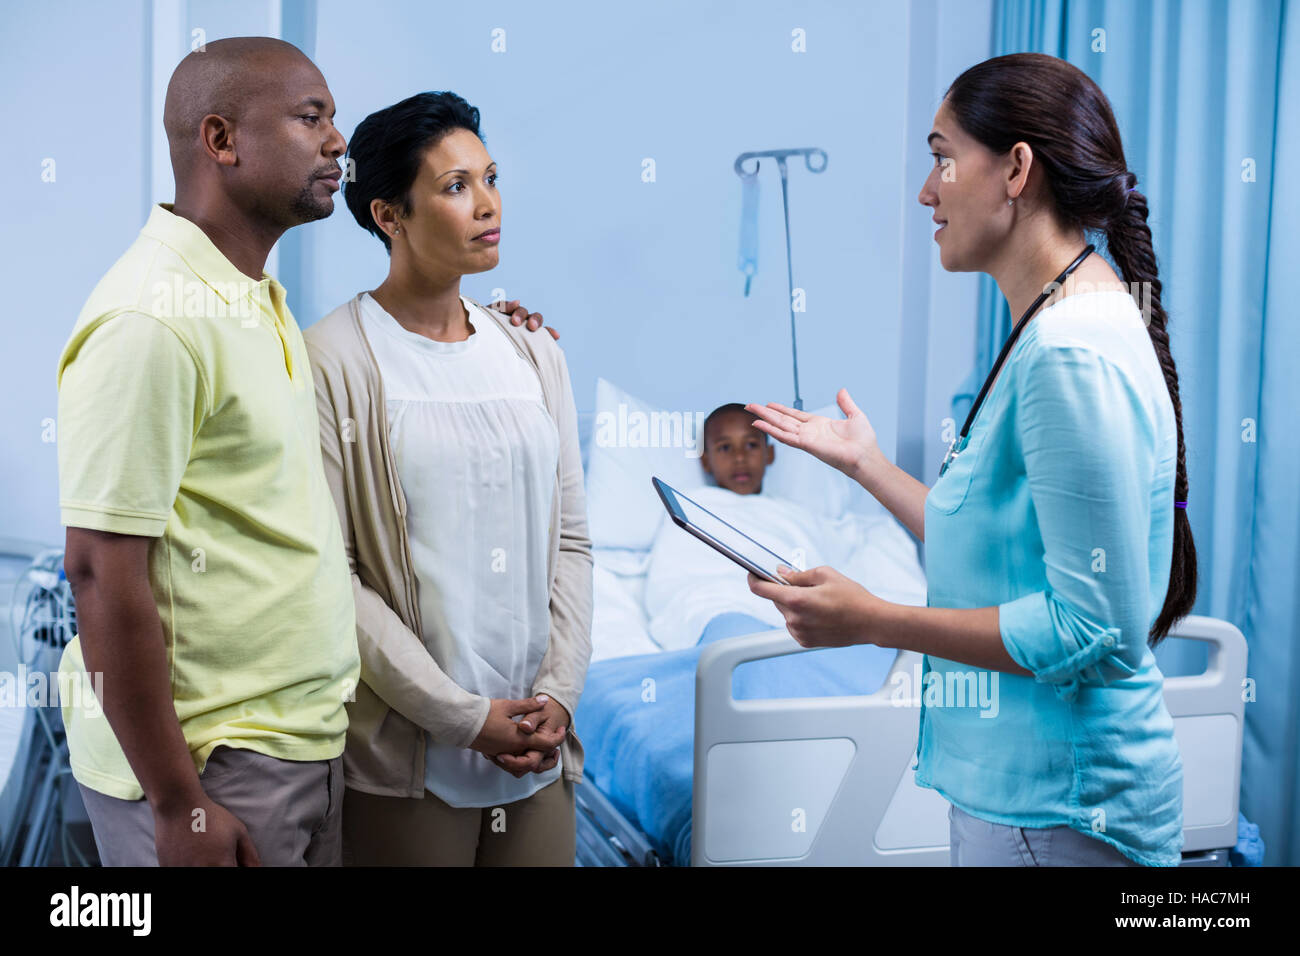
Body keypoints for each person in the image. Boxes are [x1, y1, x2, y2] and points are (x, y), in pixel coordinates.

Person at [55, 38, 551, 867]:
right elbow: (101, 570)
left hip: (297, 749)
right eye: (310, 118)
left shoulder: (254, 296)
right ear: (222, 140)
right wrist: (182, 806)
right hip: (213, 765)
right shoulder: (151, 321)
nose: (337, 143)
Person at [746, 52, 1194, 868]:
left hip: (1061, 808)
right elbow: (997, 544)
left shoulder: (1069, 352)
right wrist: (869, 466)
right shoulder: (1052, 321)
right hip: (1031, 803)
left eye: (943, 158)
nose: (927, 191)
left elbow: (1088, 624)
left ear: (1016, 169)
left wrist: (871, 620)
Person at [304, 91, 592, 866]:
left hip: (539, 752)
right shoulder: (332, 359)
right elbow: (337, 577)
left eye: (490, 177)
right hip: (409, 761)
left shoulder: (534, 352)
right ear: (388, 216)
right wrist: (465, 718)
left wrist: (558, 696)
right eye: (455, 186)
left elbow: (571, 542)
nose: (488, 204)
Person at [699, 402, 776, 495]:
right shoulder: (689, 506)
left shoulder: (788, 509)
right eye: (725, 447)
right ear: (705, 461)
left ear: (769, 454)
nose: (740, 458)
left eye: (751, 445)